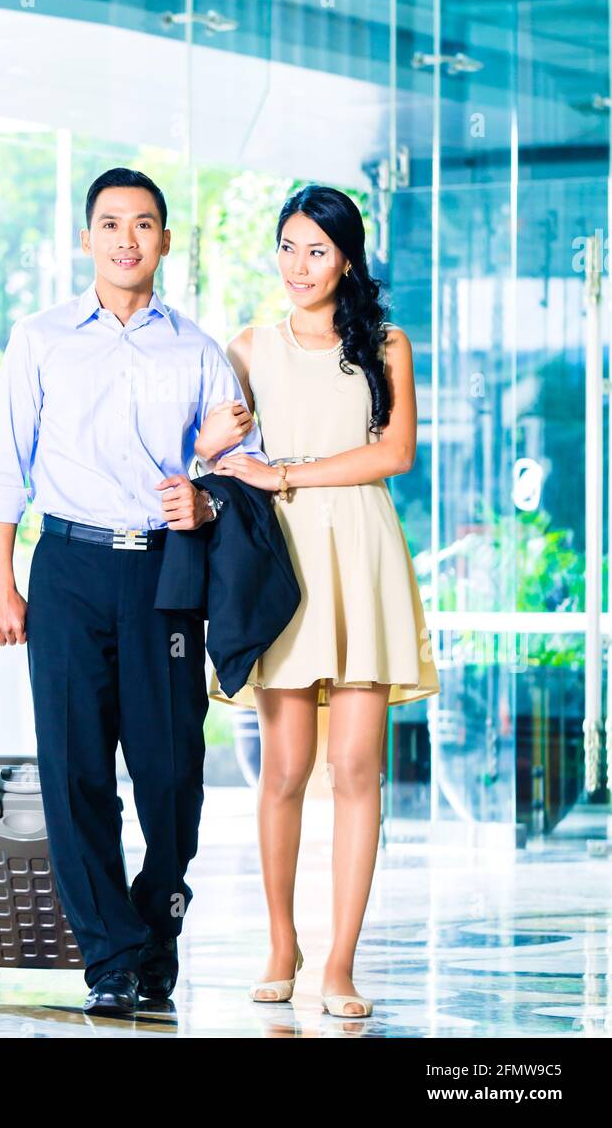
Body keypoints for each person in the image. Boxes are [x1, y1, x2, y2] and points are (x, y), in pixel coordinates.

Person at [0, 166, 267, 1016]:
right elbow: (5, 468)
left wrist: (207, 491)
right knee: (76, 774)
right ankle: (112, 961)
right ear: (87, 240)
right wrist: (3, 586)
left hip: (162, 571)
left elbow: (245, 473)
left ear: (166, 241)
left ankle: (155, 924)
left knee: (171, 770)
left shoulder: (199, 350)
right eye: (110, 224)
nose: (127, 239)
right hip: (66, 567)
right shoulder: (41, 338)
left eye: (144, 224)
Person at [195, 184, 440, 1018]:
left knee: (357, 771)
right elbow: (201, 444)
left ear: (346, 259)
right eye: (290, 247)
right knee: (286, 770)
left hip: (362, 556)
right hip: (284, 564)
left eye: (319, 251)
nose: (301, 266)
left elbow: (395, 453)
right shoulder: (248, 347)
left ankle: (338, 962)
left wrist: (287, 471)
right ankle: (281, 941)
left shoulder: (386, 343)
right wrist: (220, 445)